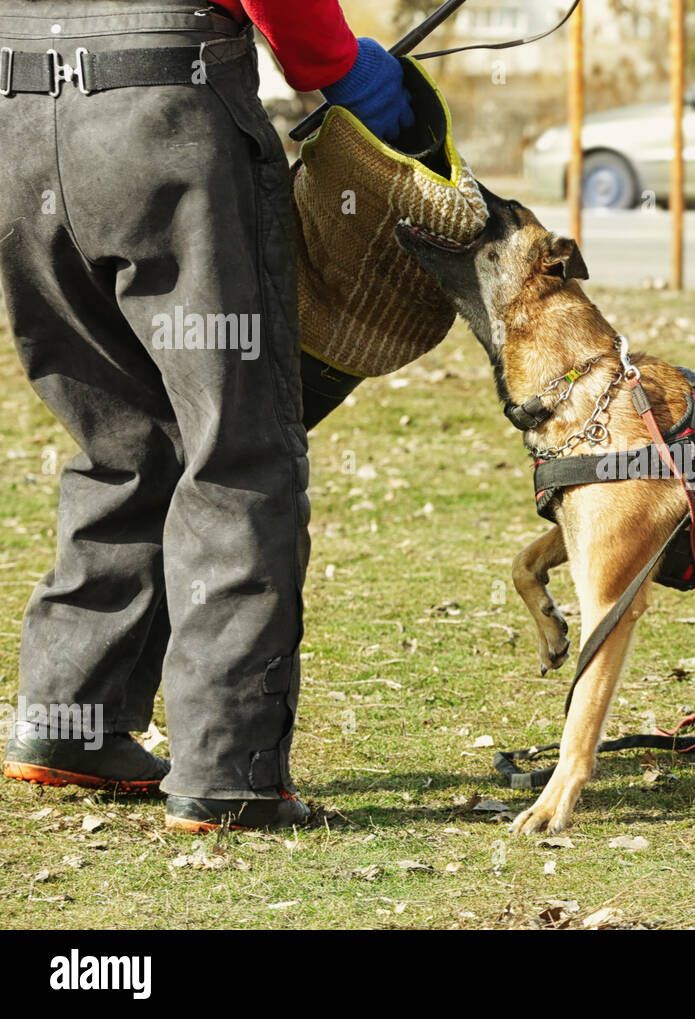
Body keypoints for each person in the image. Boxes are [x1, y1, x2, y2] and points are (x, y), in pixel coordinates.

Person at [0, 0, 412, 830]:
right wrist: (354, 76)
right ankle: (233, 771)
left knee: (123, 437)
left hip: (17, 113)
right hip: (163, 115)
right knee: (237, 444)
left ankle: (71, 722)